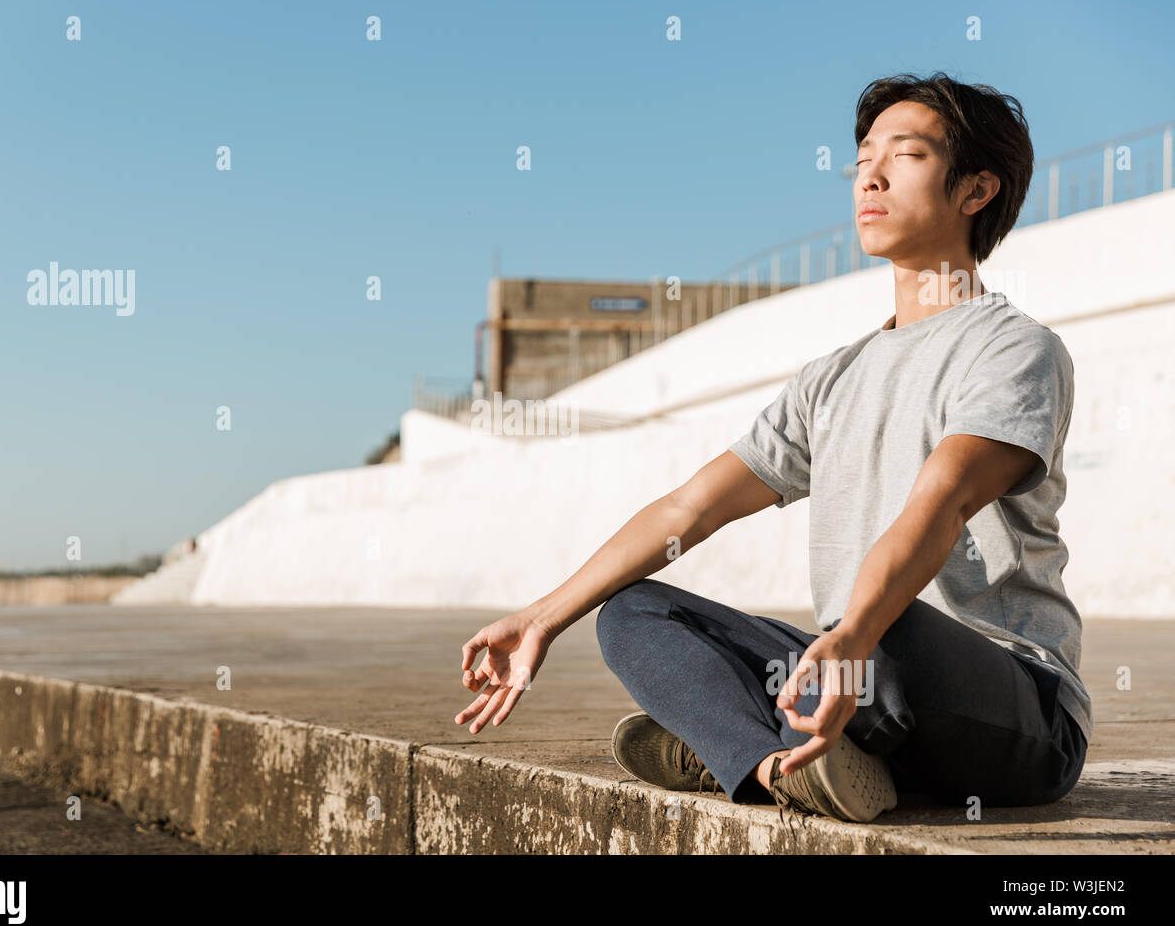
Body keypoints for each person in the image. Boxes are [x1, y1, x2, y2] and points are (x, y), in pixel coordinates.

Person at [453, 72, 1089, 827]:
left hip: (1012, 708)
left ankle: (740, 730)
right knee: (632, 613)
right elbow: (692, 506)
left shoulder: (1015, 350)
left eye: (905, 156)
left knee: (886, 626)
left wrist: (853, 637)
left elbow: (943, 501)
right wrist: (542, 618)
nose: (870, 178)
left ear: (976, 190)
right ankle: (774, 765)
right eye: (860, 162)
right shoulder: (830, 379)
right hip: (858, 673)